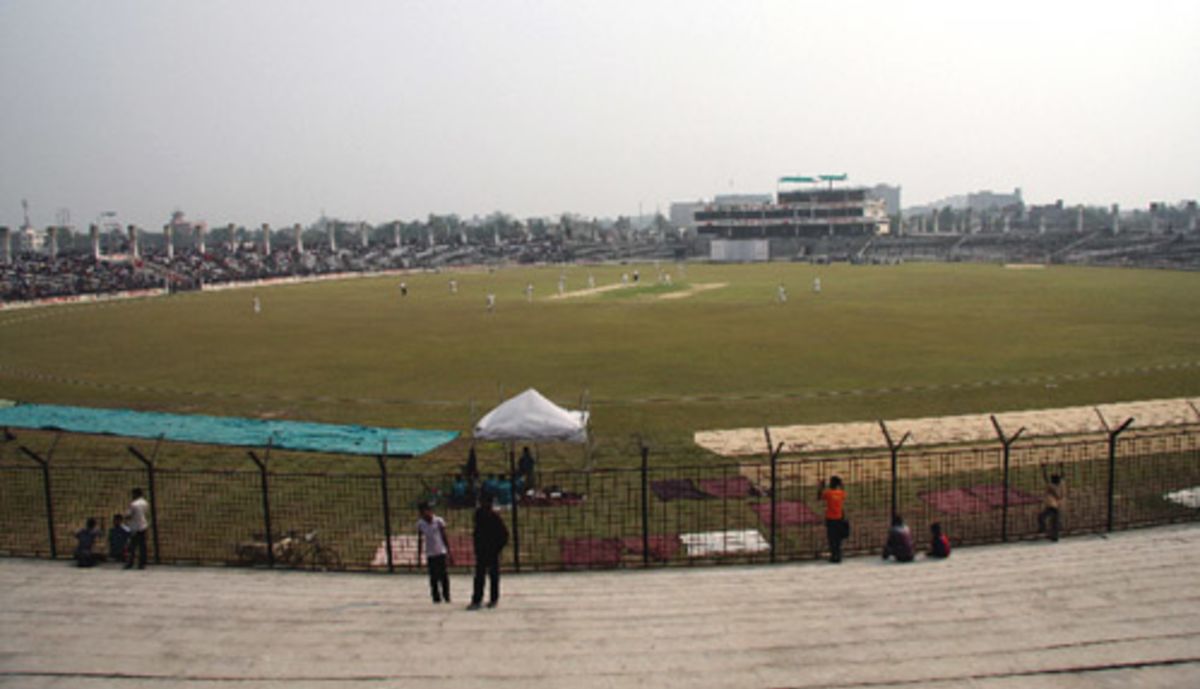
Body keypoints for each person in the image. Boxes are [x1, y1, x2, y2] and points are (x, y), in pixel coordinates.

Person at [468, 493, 508, 610]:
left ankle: (493, 599)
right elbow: (477, 533)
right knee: (480, 576)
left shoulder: (494, 517)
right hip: (482, 550)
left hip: (491, 550)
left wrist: (497, 548)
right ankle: (477, 599)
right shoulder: (479, 515)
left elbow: (504, 534)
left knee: (492, 575)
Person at [416, 502, 451, 604]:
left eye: (428, 511)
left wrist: (448, 551)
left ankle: (447, 595)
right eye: (423, 512)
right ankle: (436, 597)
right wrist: (419, 555)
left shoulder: (438, 521)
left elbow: (444, 536)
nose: (426, 513)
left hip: (440, 551)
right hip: (430, 553)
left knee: (444, 575)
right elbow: (420, 539)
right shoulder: (420, 524)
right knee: (433, 577)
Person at [818, 476, 848, 563]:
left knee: (831, 538)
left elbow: (819, 497)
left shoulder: (828, 493)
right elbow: (844, 492)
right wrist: (842, 485)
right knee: (838, 539)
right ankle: (838, 554)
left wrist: (821, 487)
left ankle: (834, 555)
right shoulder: (841, 493)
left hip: (830, 518)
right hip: (839, 518)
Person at [1038, 465, 1066, 542]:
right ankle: (1054, 535)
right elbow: (1063, 477)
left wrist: (1044, 469)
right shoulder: (1061, 484)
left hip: (1051, 506)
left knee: (1042, 517)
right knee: (1054, 521)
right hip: (1057, 506)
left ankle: (1044, 530)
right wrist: (1061, 467)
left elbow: (1046, 479)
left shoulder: (1051, 486)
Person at [125, 487, 150, 570]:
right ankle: (142, 563)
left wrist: (126, 516)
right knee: (142, 546)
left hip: (135, 527)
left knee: (132, 546)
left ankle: (130, 562)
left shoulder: (133, 504)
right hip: (143, 525)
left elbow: (129, 515)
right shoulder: (145, 503)